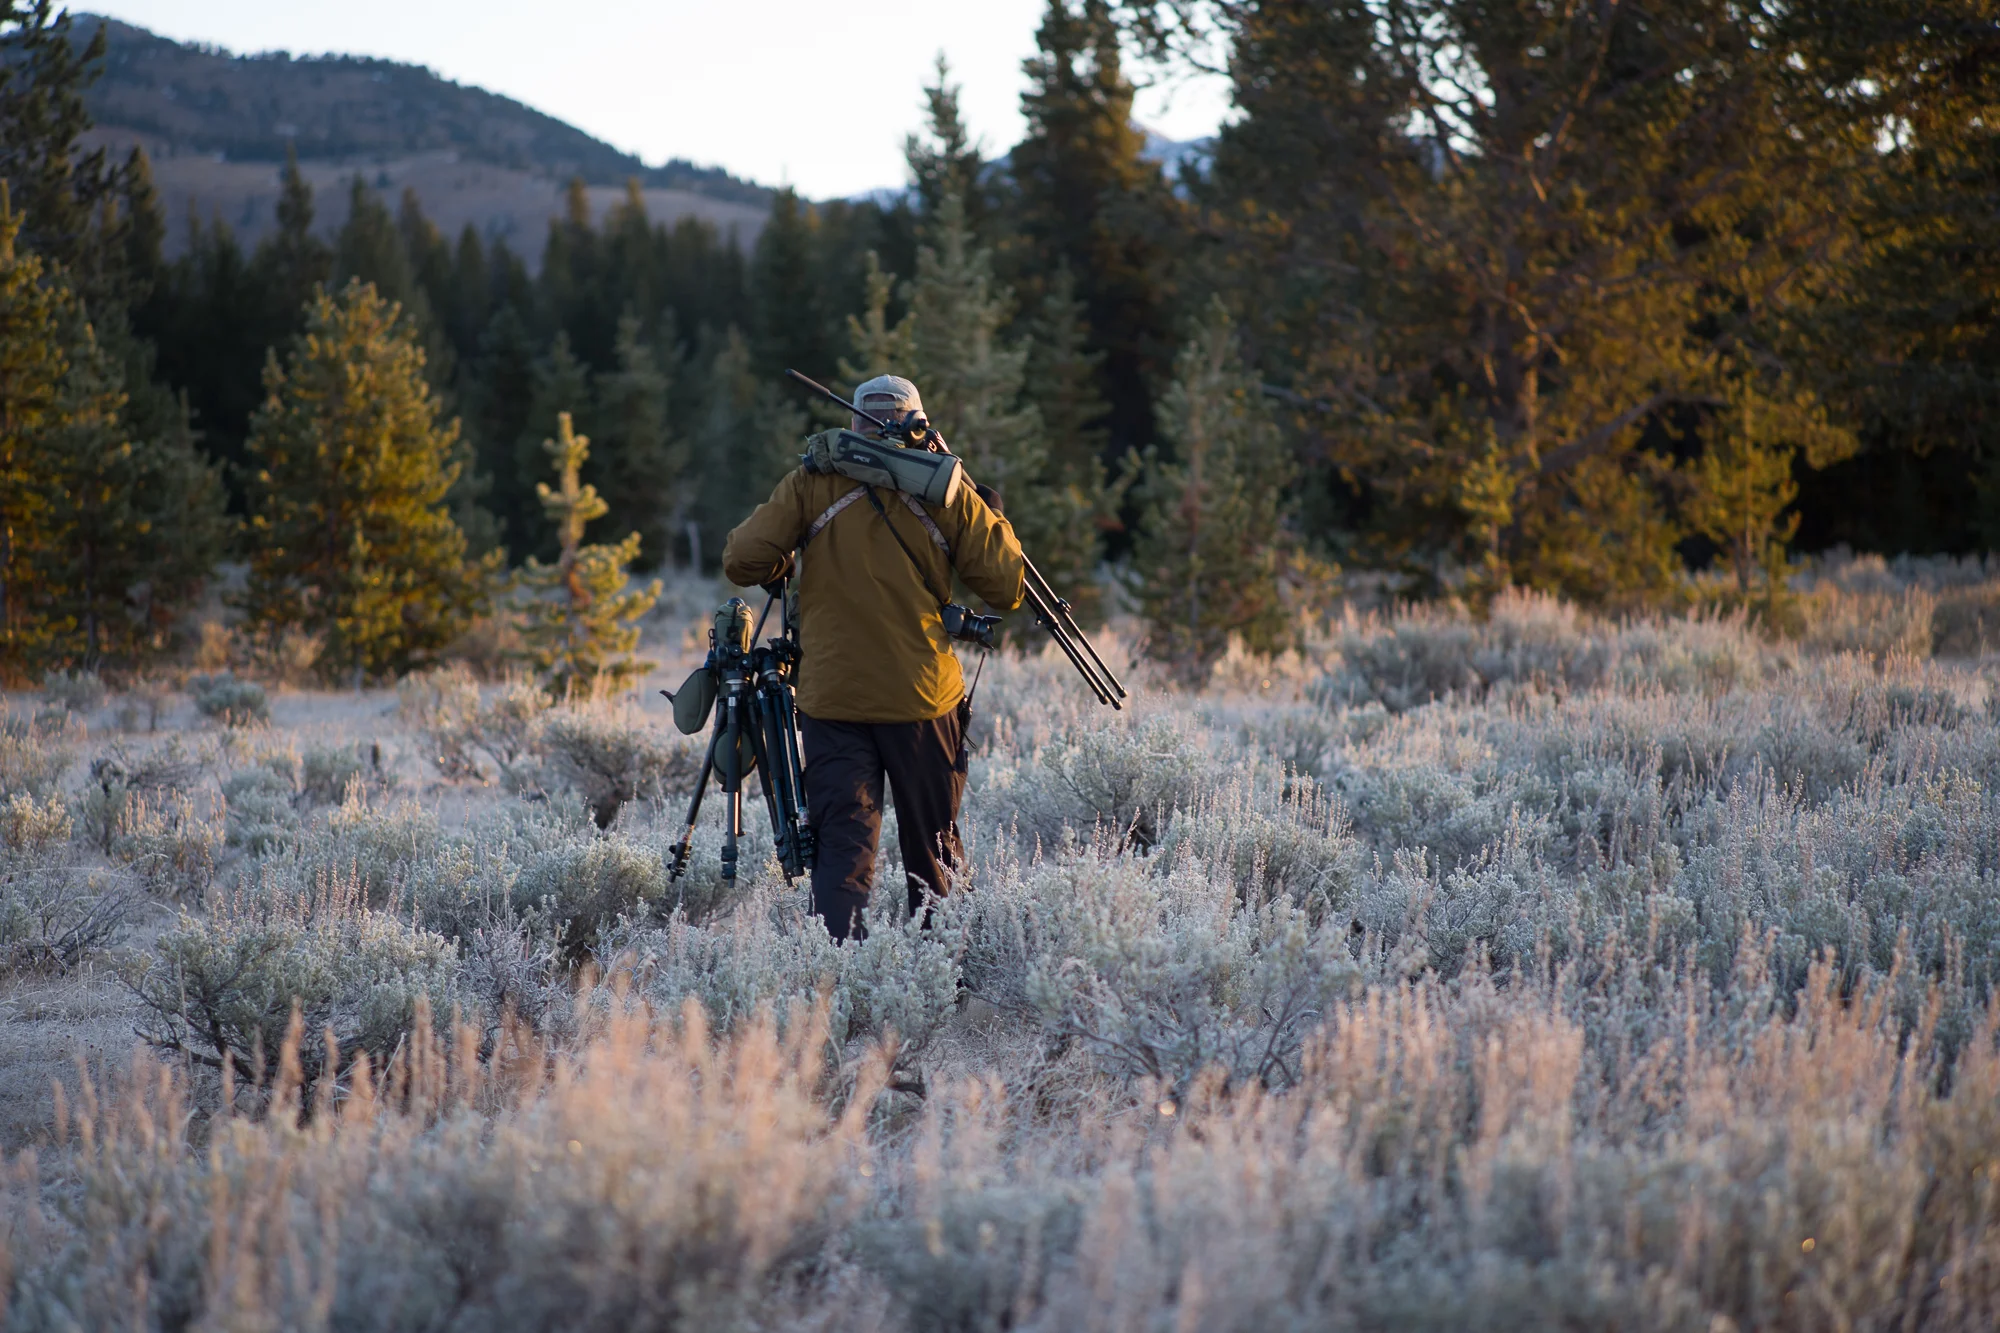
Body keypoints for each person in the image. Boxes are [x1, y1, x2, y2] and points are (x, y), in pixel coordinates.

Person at [722, 374, 1025, 939]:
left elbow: (742, 559)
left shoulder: (813, 480)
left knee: (842, 849)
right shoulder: (944, 488)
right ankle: (940, 982)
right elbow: (1006, 585)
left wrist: (785, 562)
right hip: (922, 698)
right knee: (934, 849)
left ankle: (841, 986)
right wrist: (990, 513)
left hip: (832, 700)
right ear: (917, 424)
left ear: (855, 423)